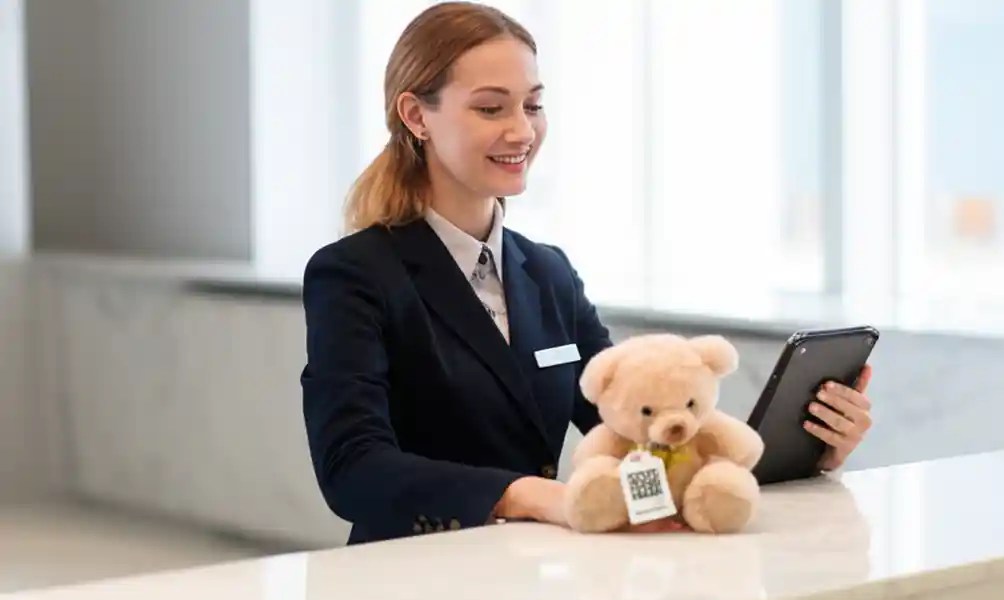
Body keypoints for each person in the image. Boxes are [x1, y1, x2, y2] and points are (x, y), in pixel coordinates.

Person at [299, 1, 874, 546]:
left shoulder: (547, 273)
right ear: (415, 115)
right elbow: (353, 468)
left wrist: (805, 452)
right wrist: (532, 496)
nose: (522, 131)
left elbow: (636, 429)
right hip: (410, 583)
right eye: (491, 108)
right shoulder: (354, 275)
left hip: (533, 578)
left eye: (532, 106)